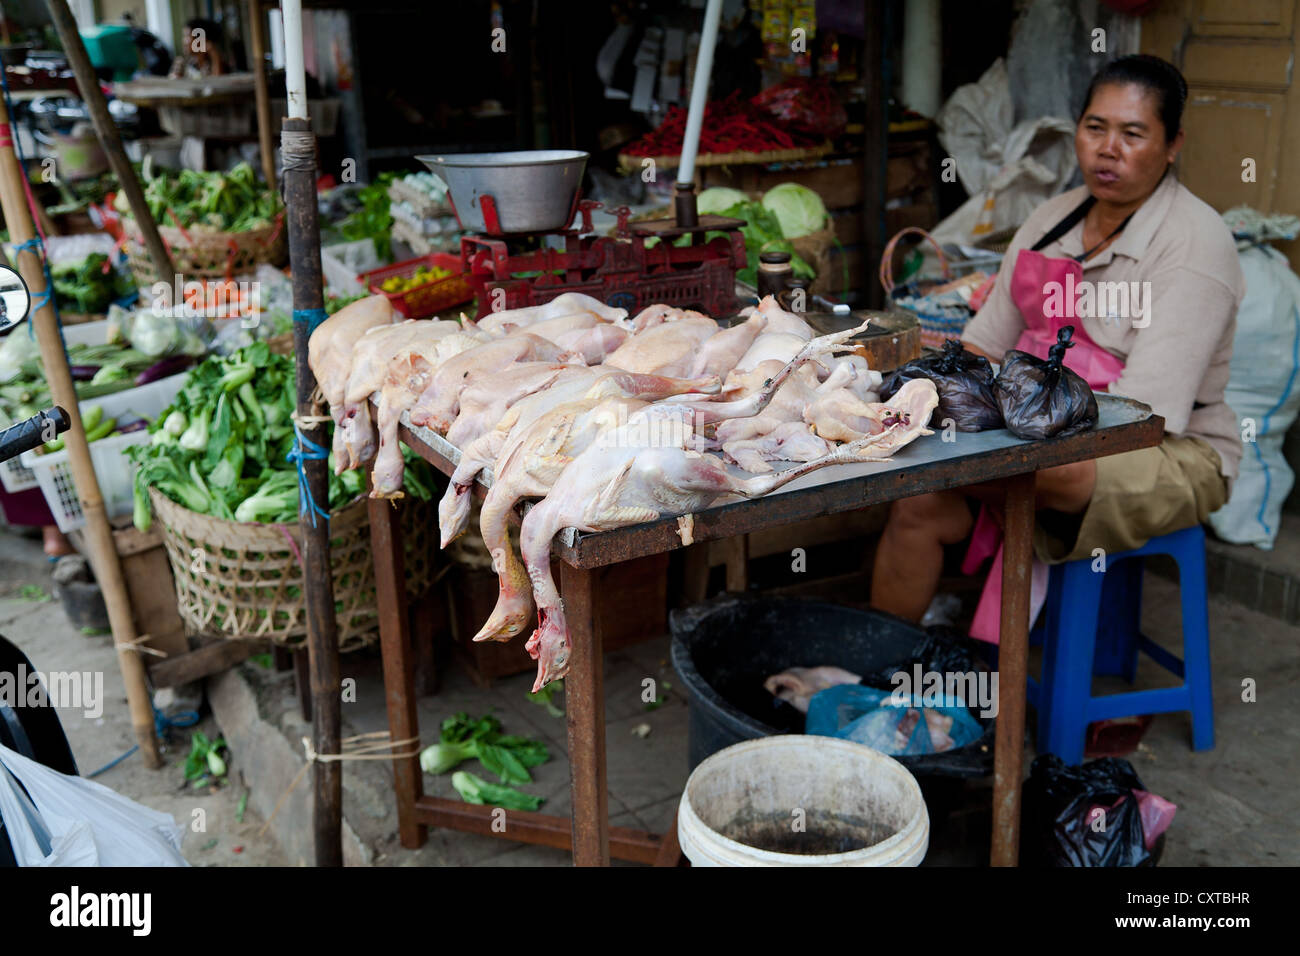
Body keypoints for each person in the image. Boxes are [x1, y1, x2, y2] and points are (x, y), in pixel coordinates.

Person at [870, 54, 1244, 628]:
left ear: (1172, 145)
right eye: (1095, 128)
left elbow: (1145, 419)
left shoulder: (1195, 245)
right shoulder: (1051, 220)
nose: (1107, 149)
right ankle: (879, 677)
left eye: (1133, 133)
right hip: (1030, 432)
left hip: (1167, 445)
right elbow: (981, 349)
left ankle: (1001, 654)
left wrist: (995, 440)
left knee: (1045, 473)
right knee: (919, 494)